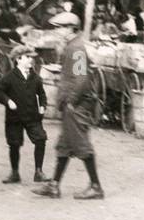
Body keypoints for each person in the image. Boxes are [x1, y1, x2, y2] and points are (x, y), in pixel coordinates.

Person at [33, 12, 104, 199]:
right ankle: (54, 185)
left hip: (77, 105)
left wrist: (71, 101)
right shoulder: (71, 47)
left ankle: (96, 186)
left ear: (71, 28)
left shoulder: (77, 48)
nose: (57, 31)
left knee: (81, 144)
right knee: (64, 146)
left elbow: (81, 79)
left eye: (60, 27)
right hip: (71, 104)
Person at [0, 45, 48, 184]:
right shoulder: (9, 77)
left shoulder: (35, 77)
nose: (31, 60)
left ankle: (38, 172)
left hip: (32, 116)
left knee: (41, 139)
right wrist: (8, 101)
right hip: (15, 117)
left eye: (31, 57)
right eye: (27, 57)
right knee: (14, 144)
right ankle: (15, 173)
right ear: (18, 59)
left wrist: (42, 106)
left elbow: (41, 94)